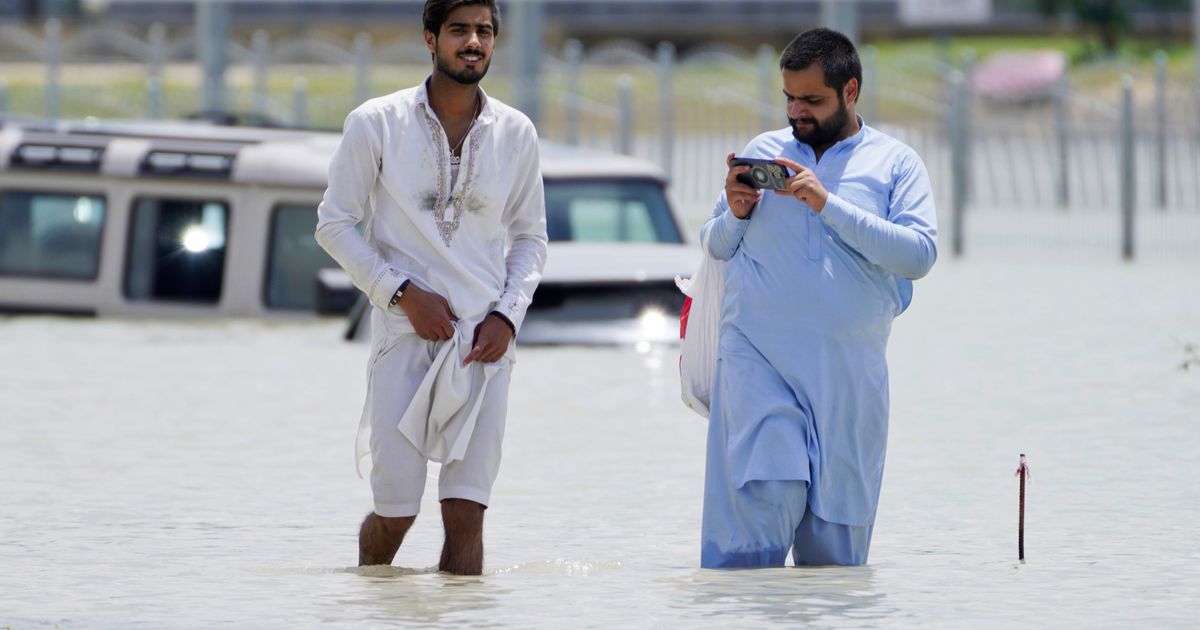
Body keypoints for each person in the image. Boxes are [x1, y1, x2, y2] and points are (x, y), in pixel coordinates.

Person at [315, 0, 547, 575]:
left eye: (484, 31)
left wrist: (508, 316)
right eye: (460, 30)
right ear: (430, 38)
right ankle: (372, 602)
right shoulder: (376, 122)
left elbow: (531, 238)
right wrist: (400, 293)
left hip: (484, 343)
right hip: (404, 337)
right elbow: (334, 224)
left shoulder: (515, 132)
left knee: (467, 511)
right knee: (396, 511)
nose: (473, 42)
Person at [699, 28, 937, 568]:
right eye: (789, 98)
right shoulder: (765, 152)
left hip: (849, 378)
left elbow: (919, 257)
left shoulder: (896, 164)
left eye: (812, 100)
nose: (797, 112)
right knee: (766, 498)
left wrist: (826, 203)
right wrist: (736, 210)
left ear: (850, 92)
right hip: (759, 362)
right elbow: (714, 245)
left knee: (834, 567)